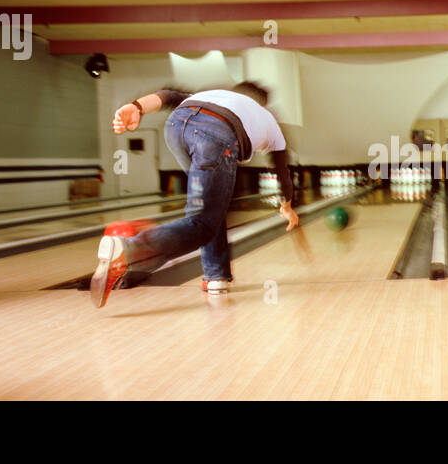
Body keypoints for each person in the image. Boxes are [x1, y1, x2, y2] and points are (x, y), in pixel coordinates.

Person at [92, 82, 299, 307]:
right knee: (202, 223)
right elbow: (282, 172)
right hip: (217, 136)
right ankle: (127, 249)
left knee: (210, 207)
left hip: (176, 127)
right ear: (264, 104)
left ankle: (216, 276)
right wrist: (287, 207)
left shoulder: (214, 95)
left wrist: (136, 107)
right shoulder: (271, 122)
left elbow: (168, 96)